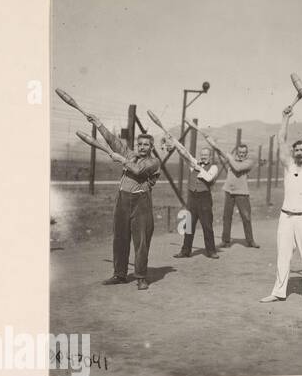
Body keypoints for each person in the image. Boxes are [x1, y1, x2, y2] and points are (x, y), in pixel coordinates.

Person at [260, 105, 302, 305]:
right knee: (282, 256)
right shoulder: (288, 165)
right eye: (296, 149)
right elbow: (281, 140)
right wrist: (285, 118)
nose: (299, 152)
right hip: (286, 218)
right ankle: (278, 292)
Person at [85, 113, 162, 290]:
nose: (142, 147)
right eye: (140, 144)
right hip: (122, 200)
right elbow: (114, 142)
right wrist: (99, 123)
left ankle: (141, 277)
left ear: (151, 147)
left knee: (141, 241)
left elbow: (137, 170)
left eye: (146, 145)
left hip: (141, 203)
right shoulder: (131, 154)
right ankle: (120, 274)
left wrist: (121, 160)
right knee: (120, 238)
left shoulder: (154, 162)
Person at [205, 135, 258, 248]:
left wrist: (229, 157)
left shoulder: (249, 162)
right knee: (226, 216)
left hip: (242, 193)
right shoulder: (232, 159)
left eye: (244, 152)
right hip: (229, 191)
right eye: (240, 152)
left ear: (246, 153)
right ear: (237, 152)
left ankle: (250, 241)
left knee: (246, 217)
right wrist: (212, 142)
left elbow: (237, 168)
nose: (242, 154)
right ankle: (226, 241)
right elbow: (220, 152)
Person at [175, 146, 220, 259]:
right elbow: (186, 155)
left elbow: (209, 178)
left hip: (204, 198)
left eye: (206, 154)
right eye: (202, 154)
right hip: (192, 197)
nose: (204, 156)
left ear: (210, 156)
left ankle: (211, 251)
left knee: (207, 225)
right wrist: (176, 146)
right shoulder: (194, 164)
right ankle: (186, 251)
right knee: (189, 225)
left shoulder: (214, 167)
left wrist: (200, 168)